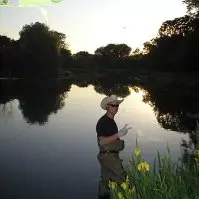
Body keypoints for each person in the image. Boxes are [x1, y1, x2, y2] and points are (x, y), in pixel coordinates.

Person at [96, 94, 132, 198]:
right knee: (125, 182)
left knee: (106, 185)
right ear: (107, 106)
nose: (115, 107)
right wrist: (118, 134)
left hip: (107, 158)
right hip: (109, 159)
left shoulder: (111, 122)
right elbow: (102, 142)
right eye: (113, 105)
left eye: (117, 105)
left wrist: (118, 135)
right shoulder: (103, 122)